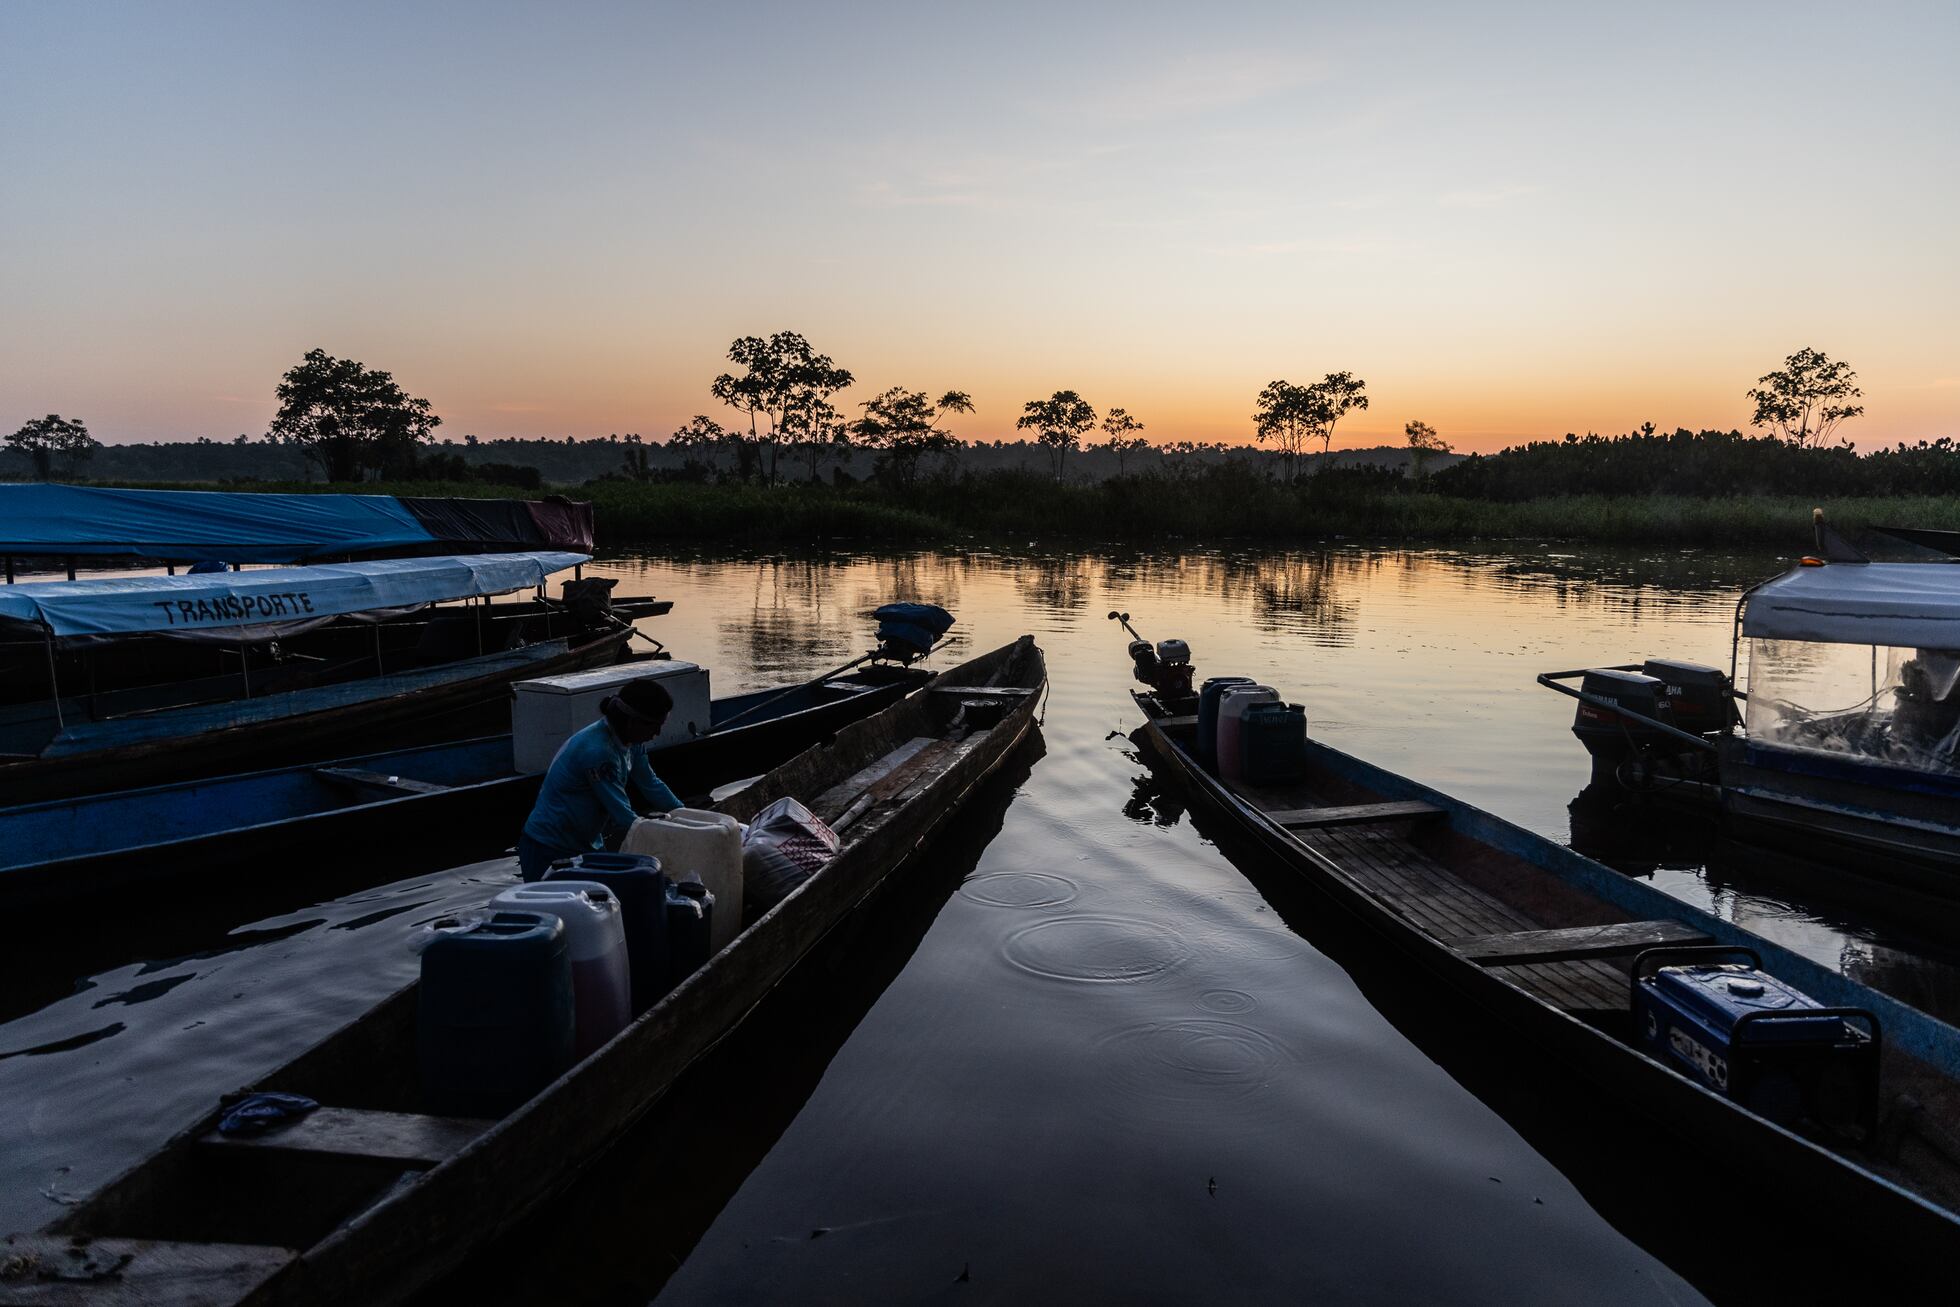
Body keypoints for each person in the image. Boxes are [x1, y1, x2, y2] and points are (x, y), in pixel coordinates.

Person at [518, 678, 684, 880]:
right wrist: (672, 836)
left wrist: (686, 815)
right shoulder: (598, 752)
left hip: (588, 844)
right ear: (633, 722)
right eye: (654, 726)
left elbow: (652, 784)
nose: (657, 734)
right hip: (548, 848)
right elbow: (623, 816)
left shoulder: (633, 742)